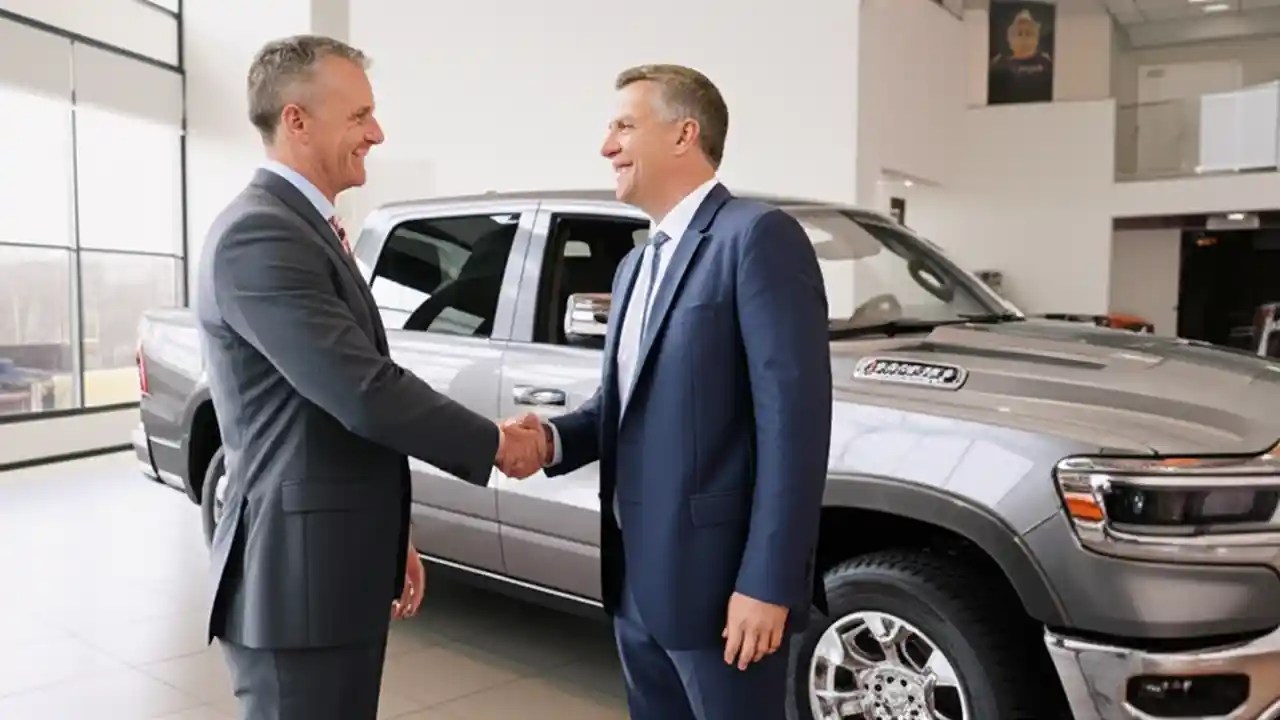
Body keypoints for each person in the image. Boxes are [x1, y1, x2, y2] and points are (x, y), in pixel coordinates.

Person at [194, 35, 543, 720]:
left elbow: (333, 408)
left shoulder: (305, 228)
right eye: (359, 116)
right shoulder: (261, 235)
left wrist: (390, 537)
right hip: (295, 586)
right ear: (296, 120)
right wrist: (496, 442)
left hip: (328, 566)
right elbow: (362, 391)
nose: (376, 133)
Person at [506, 64, 832, 719]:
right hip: (635, 583)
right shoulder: (634, 266)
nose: (606, 147)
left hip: (721, 592)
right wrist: (549, 439)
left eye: (624, 126)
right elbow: (620, 409)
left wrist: (767, 582)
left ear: (685, 135)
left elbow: (793, 425)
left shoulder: (755, 237)